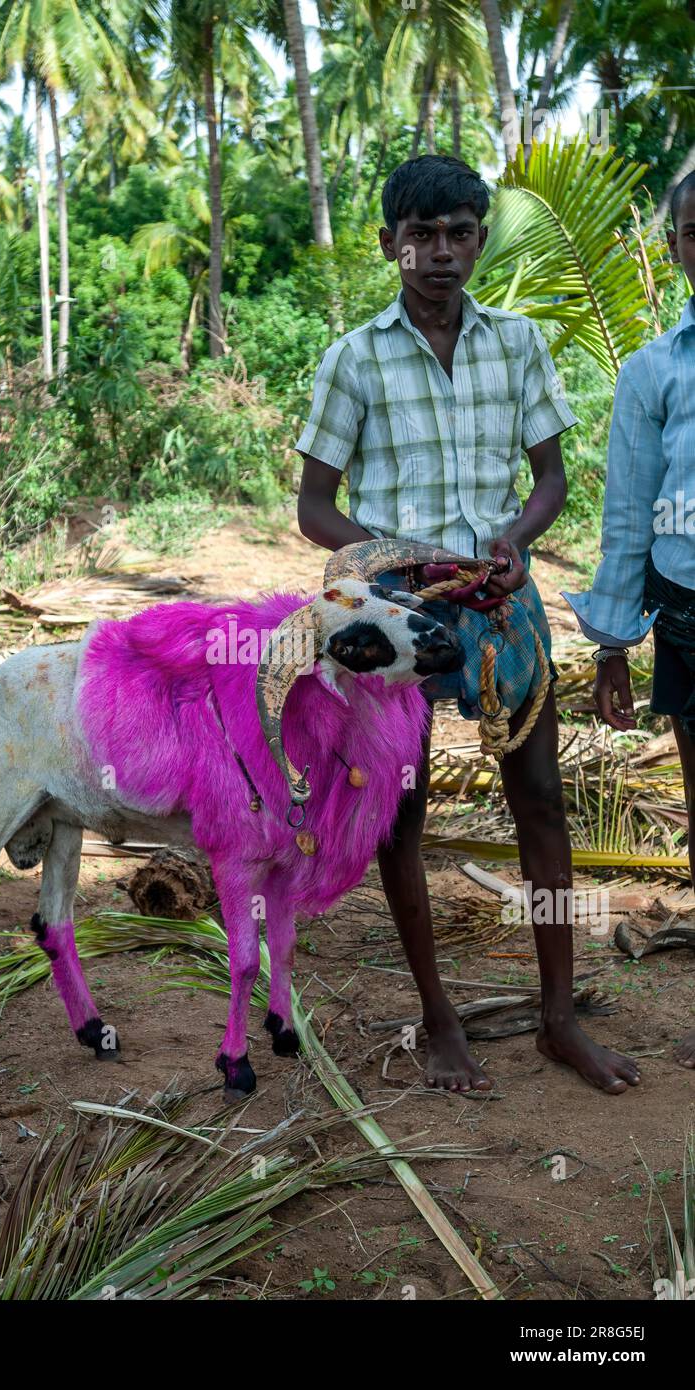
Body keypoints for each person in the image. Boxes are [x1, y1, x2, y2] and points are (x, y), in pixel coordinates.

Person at [296, 154, 641, 1094]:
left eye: (457, 233)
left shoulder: (518, 344)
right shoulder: (353, 358)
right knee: (401, 817)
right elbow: (315, 507)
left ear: (480, 240)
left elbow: (553, 479)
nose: (440, 253)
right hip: (399, 617)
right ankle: (438, 1017)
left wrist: (516, 541)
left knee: (538, 799)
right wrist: (395, 559)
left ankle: (558, 1019)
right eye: (420, 236)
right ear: (388, 245)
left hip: (499, 603)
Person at [565, 169, 695, 1070]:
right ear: (678, 246)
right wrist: (614, 644)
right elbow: (630, 511)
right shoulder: (654, 370)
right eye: (694, 230)